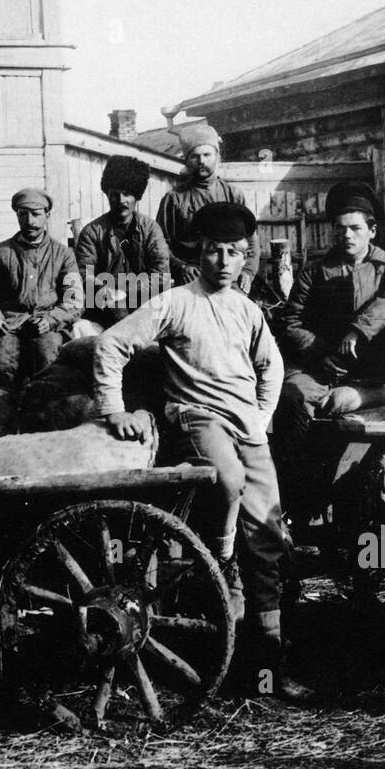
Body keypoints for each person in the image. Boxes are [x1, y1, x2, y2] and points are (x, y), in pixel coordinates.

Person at [95, 202, 311, 703]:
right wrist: (114, 410)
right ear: (200, 254)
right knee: (228, 481)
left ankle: (268, 666)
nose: (224, 262)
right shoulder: (174, 302)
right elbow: (111, 345)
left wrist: (259, 416)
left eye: (235, 252)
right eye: (215, 251)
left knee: (273, 538)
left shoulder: (248, 309)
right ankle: (223, 560)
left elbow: (271, 367)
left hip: (245, 427)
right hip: (195, 419)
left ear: (244, 257)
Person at [273, 181, 385, 520]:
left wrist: (358, 330)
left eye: (356, 228)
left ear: (371, 231)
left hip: (373, 367)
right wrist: (321, 351)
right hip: (323, 369)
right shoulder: (314, 273)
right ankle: (294, 499)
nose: (347, 235)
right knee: (291, 397)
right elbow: (290, 322)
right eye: (340, 229)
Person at [0, 187, 83, 382]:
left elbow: (73, 299)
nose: (30, 221)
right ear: (17, 215)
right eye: (23, 214)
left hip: (47, 325)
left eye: (36, 214)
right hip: (8, 325)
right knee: (0, 361)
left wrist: (51, 319)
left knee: (47, 358)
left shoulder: (63, 255)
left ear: (47, 215)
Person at [73, 155, 171, 334]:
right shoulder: (93, 232)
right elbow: (83, 273)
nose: (121, 200)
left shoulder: (150, 229)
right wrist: (103, 289)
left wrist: (124, 290)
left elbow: (160, 275)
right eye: (114, 194)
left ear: (137, 195)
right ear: (107, 195)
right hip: (105, 304)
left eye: (127, 193)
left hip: (145, 300)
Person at [156, 122, 258, 292]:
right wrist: (181, 267)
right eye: (195, 156)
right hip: (192, 277)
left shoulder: (233, 195)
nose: (201, 161)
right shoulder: (174, 199)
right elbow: (160, 244)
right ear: (186, 160)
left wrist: (247, 271)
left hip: (229, 276)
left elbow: (251, 240)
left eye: (207, 154)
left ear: (217, 156)